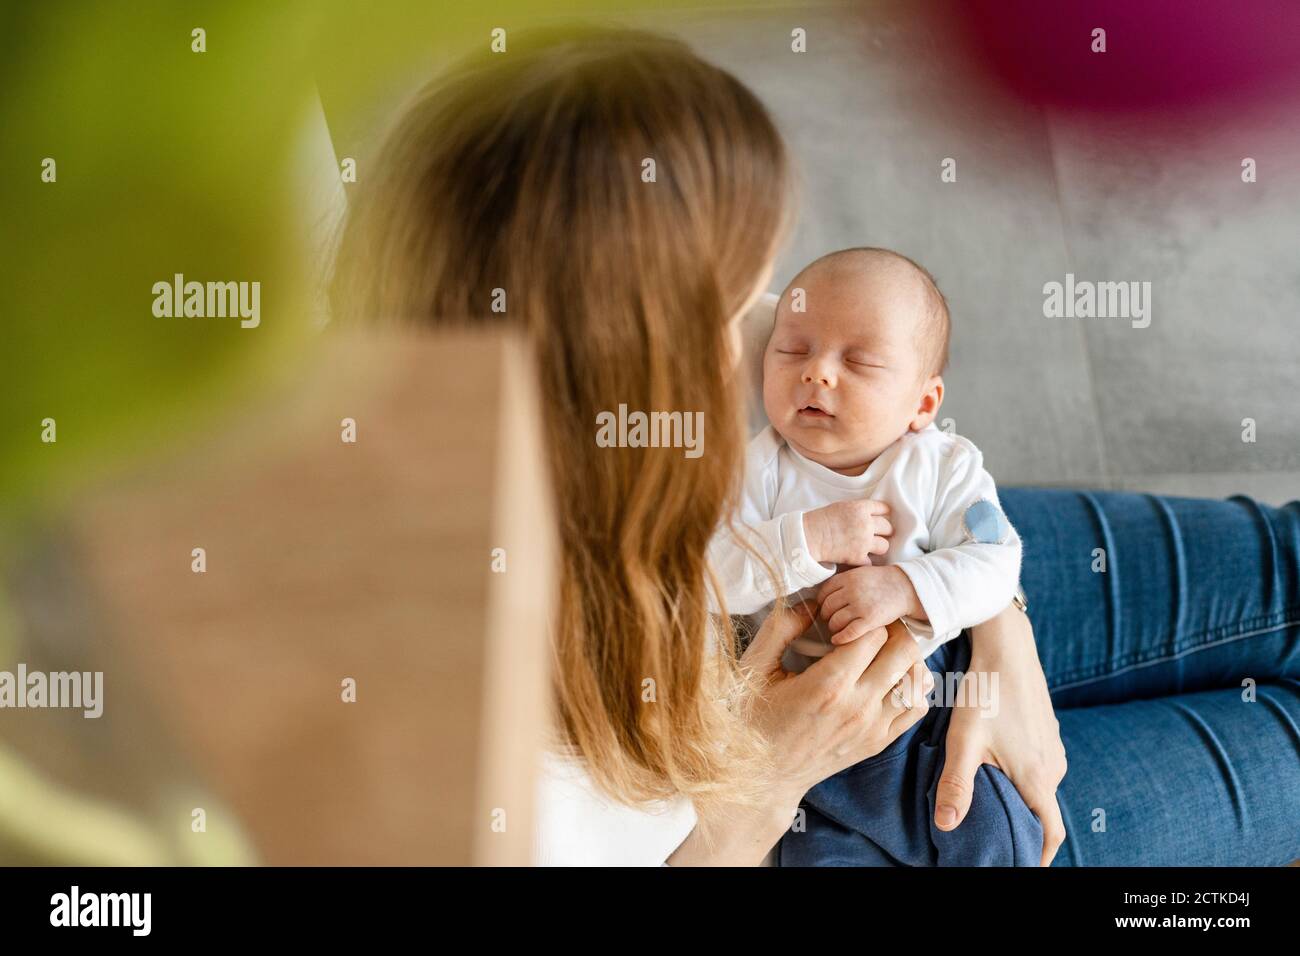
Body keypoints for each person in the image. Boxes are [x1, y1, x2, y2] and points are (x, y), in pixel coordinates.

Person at [332, 26, 1300, 866]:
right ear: (618, 397)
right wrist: (766, 782)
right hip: (862, 824)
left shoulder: (478, 392)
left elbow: (952, 513)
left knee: (1281, 571)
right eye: (726, 313)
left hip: (912, 598)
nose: (763, 342)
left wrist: (993, 616)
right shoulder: (474, 779)